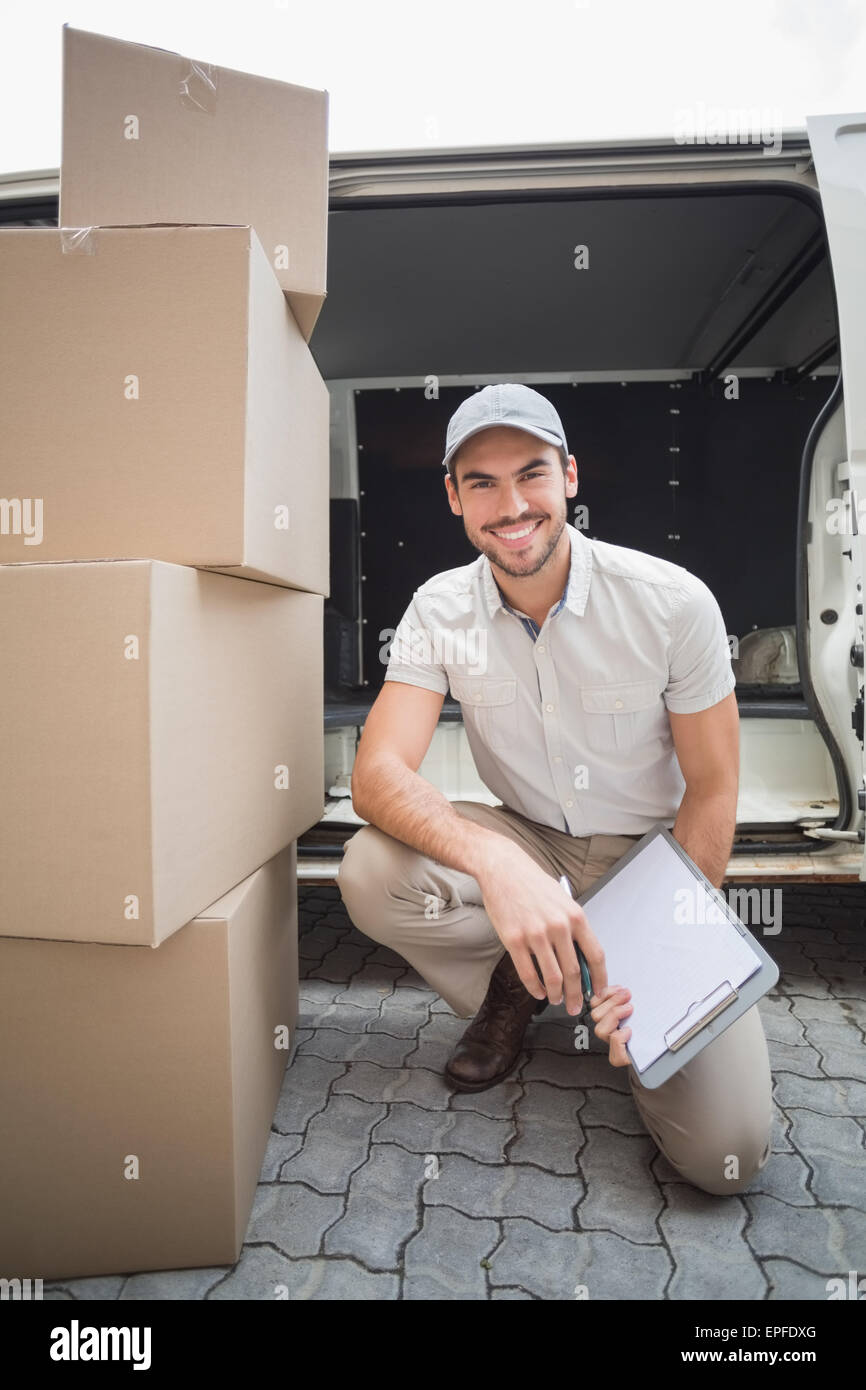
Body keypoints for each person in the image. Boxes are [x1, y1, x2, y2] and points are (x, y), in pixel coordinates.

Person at [337, 383, 772, 1196]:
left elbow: (713, 791)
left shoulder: (673, 603)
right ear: (453, 499)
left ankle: (604, 981)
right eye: (482, 483)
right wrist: (501, 870)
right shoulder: (438, 608)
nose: (511, 506)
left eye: (531, 474)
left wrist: (664, 958)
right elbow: (378, 774)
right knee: (370, 869)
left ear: (569, 476)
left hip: (654, 862)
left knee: (729, 1158)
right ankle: (530, 982)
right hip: (531, 839)